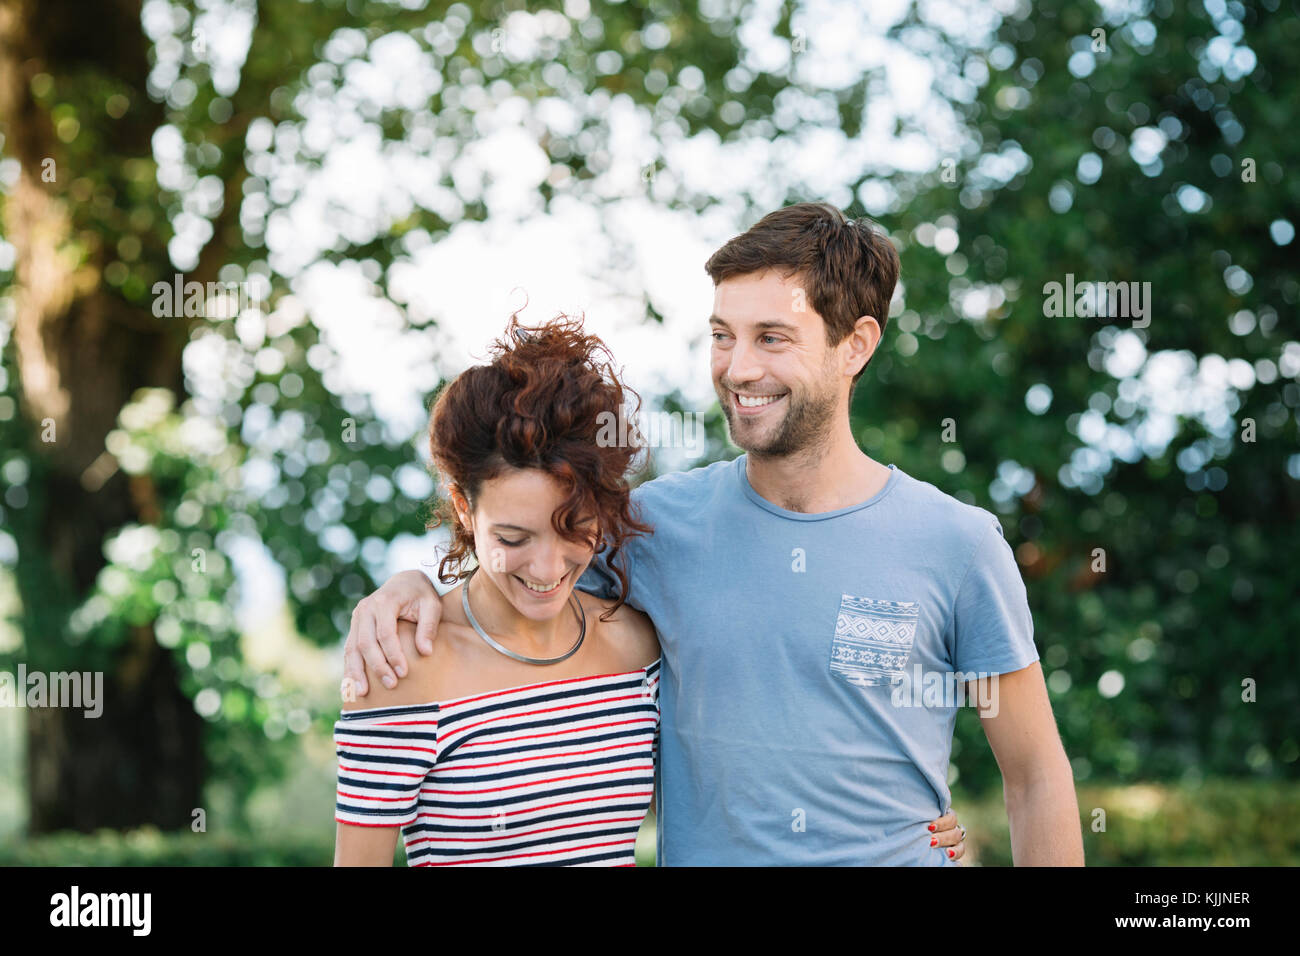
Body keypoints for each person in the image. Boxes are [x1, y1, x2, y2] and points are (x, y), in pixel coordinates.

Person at [343, 203, 1080, 865]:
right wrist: (410, 589)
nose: (738, 368)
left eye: (772, 338)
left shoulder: (958, 545)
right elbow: (521, 568)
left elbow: (1036, 776)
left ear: (855, 346)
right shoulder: (654, 529)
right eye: (723, 335)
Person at [334, 316, 663, 866]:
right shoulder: (404, 666)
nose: (547, 566)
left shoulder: (637, 646)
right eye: (513, 537)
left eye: (574, 528)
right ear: (464, 508)